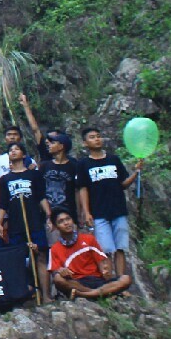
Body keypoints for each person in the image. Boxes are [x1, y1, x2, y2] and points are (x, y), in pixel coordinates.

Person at [77, 126, 142, 276]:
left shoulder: (113, 159)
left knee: (120, 247)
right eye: (92, 137)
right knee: (105, 249)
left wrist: (136, 172)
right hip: (99, 212)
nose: (97, 139)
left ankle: (121, 281)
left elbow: (123, 184)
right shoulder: (83, 164)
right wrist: (86, 212)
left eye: (98, 136)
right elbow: (83, 188)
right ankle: (109, 283)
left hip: (118, 209)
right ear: (85, 143)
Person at [0, 143, 50, 295]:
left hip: (34, 222)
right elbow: (3, 204)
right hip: (16, 224)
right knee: (18, 259)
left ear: (24, 154)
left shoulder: (34, 175)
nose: (13, 152)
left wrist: (49, 216)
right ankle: (23, 293)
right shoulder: (5, 179)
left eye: (17, 149)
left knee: (40, 255)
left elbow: (41, 197)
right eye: (10, 150)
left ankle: (46, 295)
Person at [48, 209, 132, 299]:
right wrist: (62, 271)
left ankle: (86, 295)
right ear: (56, 227)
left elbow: (102, 263)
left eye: (68, 219)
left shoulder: (89, 239)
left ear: (72, 220)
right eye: (61, 221)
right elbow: (55, 273)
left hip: (97, 280)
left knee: (126, 279)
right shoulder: (54, 249)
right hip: (77, 283)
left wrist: (105, 271)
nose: (66, 223)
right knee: (58, 279)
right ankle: (103, 294)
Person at [40, 131, 80, 242]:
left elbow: (77, 191)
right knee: (55, 248)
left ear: (61, 146)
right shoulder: (44, 166)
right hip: (49, 214)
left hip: (69, 213)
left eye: (53, 143)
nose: (49, 145)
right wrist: (48, 215)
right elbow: (40, 192)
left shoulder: (74, 166)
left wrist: (79, 214)